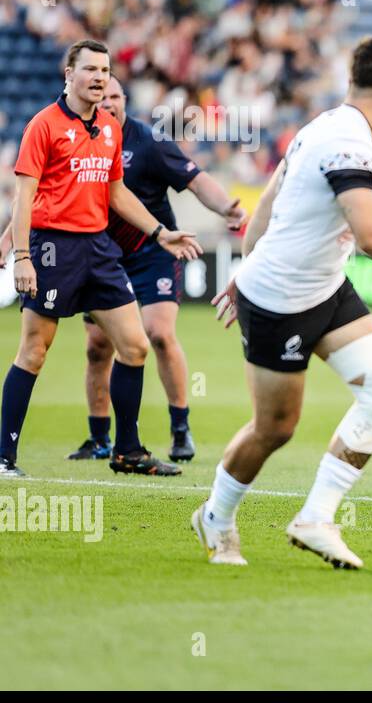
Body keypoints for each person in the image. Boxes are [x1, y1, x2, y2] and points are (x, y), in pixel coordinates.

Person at [193, 36, 372, 567]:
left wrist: (246, 264)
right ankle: (215, 516)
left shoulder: (322, 125)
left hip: (324, 288)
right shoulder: (349, 144)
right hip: (281, 300)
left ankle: (315, 518)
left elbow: (268, 203)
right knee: (274, 428)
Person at [1, 40, 200, 479]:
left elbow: (116, 194)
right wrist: (22, 255)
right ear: (68, 74)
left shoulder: (109, 128)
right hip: (54, 247)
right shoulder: (44, 125)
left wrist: (160, 232)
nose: (98, 77)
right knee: (34, 351)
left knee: (134, 346)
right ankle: (4, 457)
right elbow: (25, 196)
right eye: (89, 69)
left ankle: (127, 451)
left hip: (99, 248)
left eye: (105, 71)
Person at [61, 76, 247, 463]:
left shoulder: (148, 141)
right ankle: (100, 439)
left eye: (115, 95)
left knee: (159, 334)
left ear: (124, 99)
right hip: (103, 255)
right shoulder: (80, 137)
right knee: (98, 348)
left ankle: (180, 429)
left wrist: (225, 208)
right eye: (103, 95)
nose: (109, 102)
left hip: (154, 249)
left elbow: (195, 180)